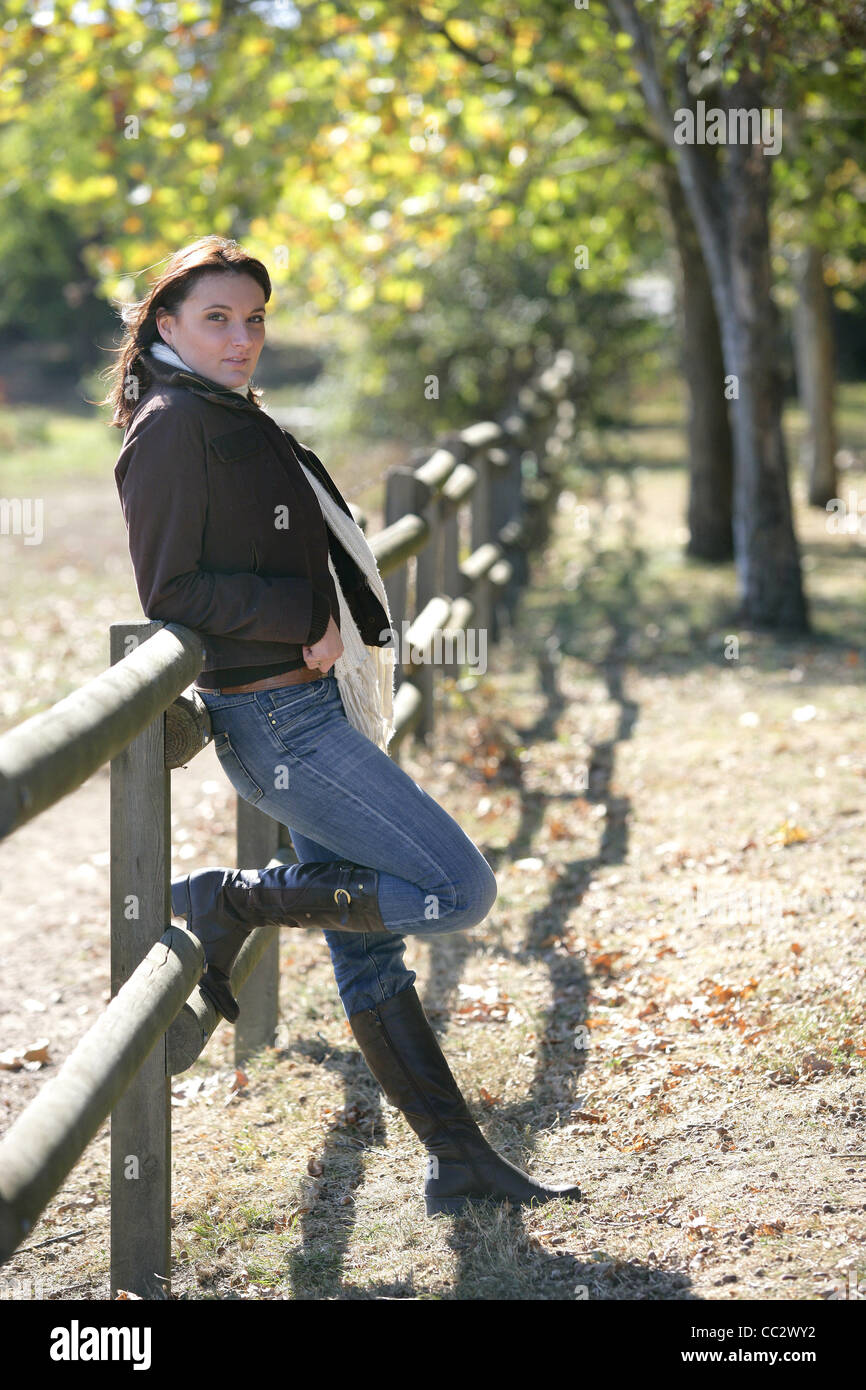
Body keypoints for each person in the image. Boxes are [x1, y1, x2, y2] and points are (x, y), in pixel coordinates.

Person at [104, 234, 580, 1217]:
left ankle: (454, 1159)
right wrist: (303, 620)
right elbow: (171, 588)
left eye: (254, 319)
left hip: (305, 705)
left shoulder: (223, 410)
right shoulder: (171, 424)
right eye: (216, 320)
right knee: (454, 888)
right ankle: (233, 900)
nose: (243, 339)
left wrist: (320, 627)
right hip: (276, 722)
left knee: (367, 942)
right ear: (166, 325)